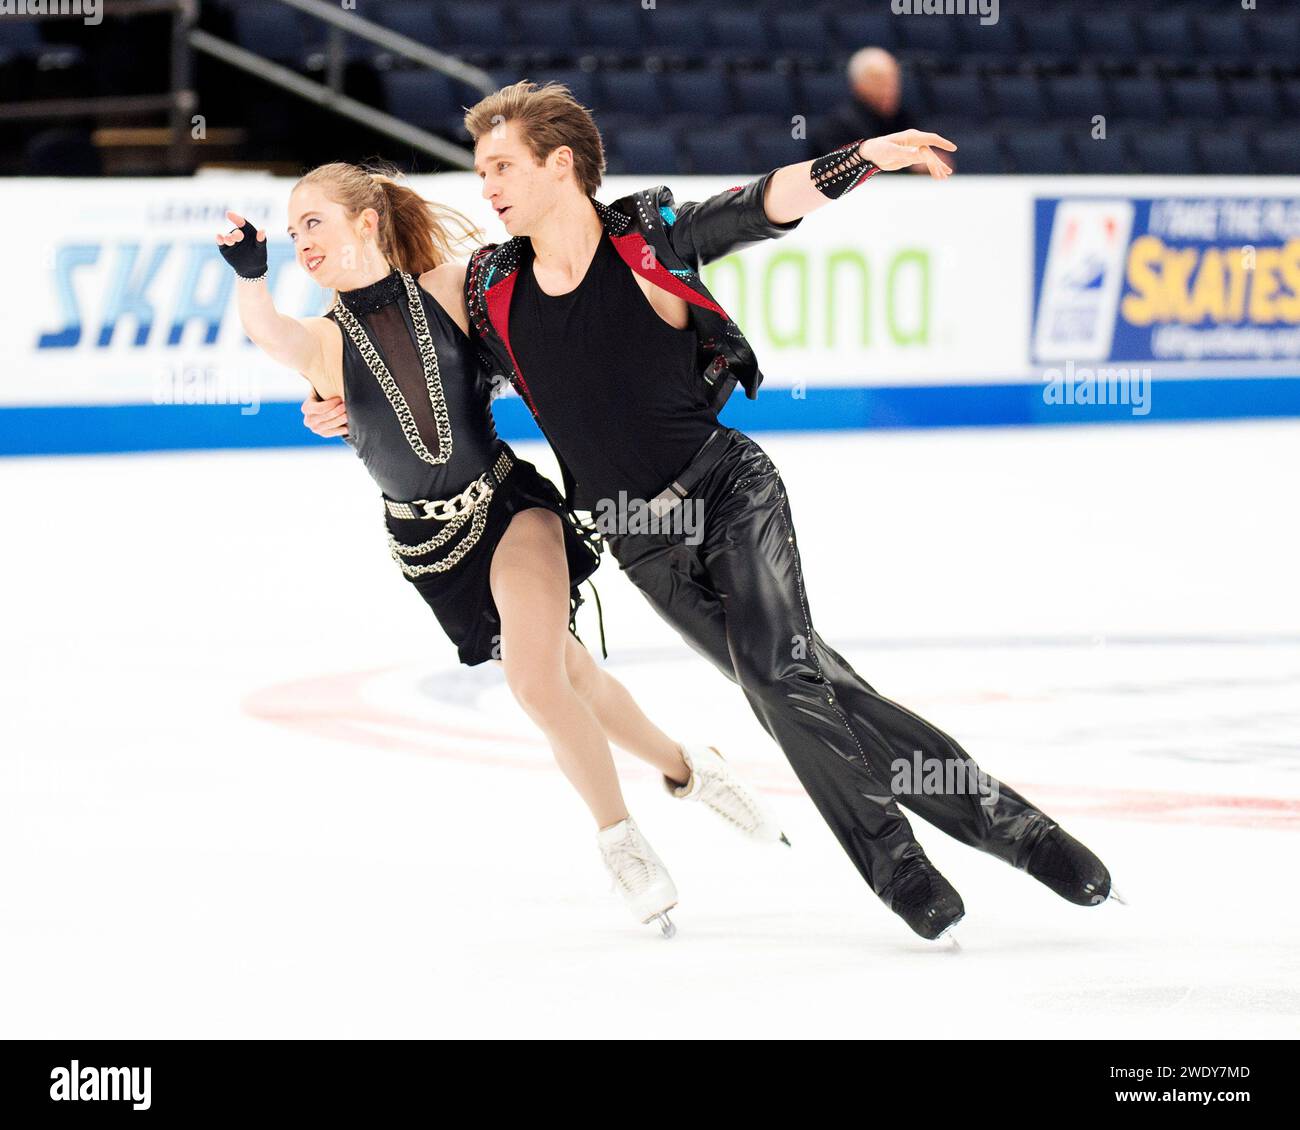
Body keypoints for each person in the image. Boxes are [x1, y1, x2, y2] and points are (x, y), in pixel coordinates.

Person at [303, 83, 1117, 944]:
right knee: (816, 688)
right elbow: (378, 319)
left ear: (561, 165)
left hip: (729, 493)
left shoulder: (646, 235)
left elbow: (762, 204)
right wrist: (338, 398)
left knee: (777, 680)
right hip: (640, 544)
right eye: (481, 170)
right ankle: (1022, 833)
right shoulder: (488, 282)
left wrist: (860, 160)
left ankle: (904, 871)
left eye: (503, 166)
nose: (488, 186)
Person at [218, 161, 784, 938]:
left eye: (313, 222)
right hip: (430, 549)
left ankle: (620, 840)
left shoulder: (452, 289)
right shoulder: (324, 343)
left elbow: (546, 321)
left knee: (536, 680)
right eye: (291, 233)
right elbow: (271, 332)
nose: (300, 241)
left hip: (510, 511)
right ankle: (690, 767)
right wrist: (253, 276)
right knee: (572, 674)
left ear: (366, 221)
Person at [811, 48, 933, 174]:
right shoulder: (837, 126)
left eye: (893, 81)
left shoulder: (903, 118)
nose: (889, 90)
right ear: (858, 86)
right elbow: (840, 172)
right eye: (879, 82)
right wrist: (910, 167)